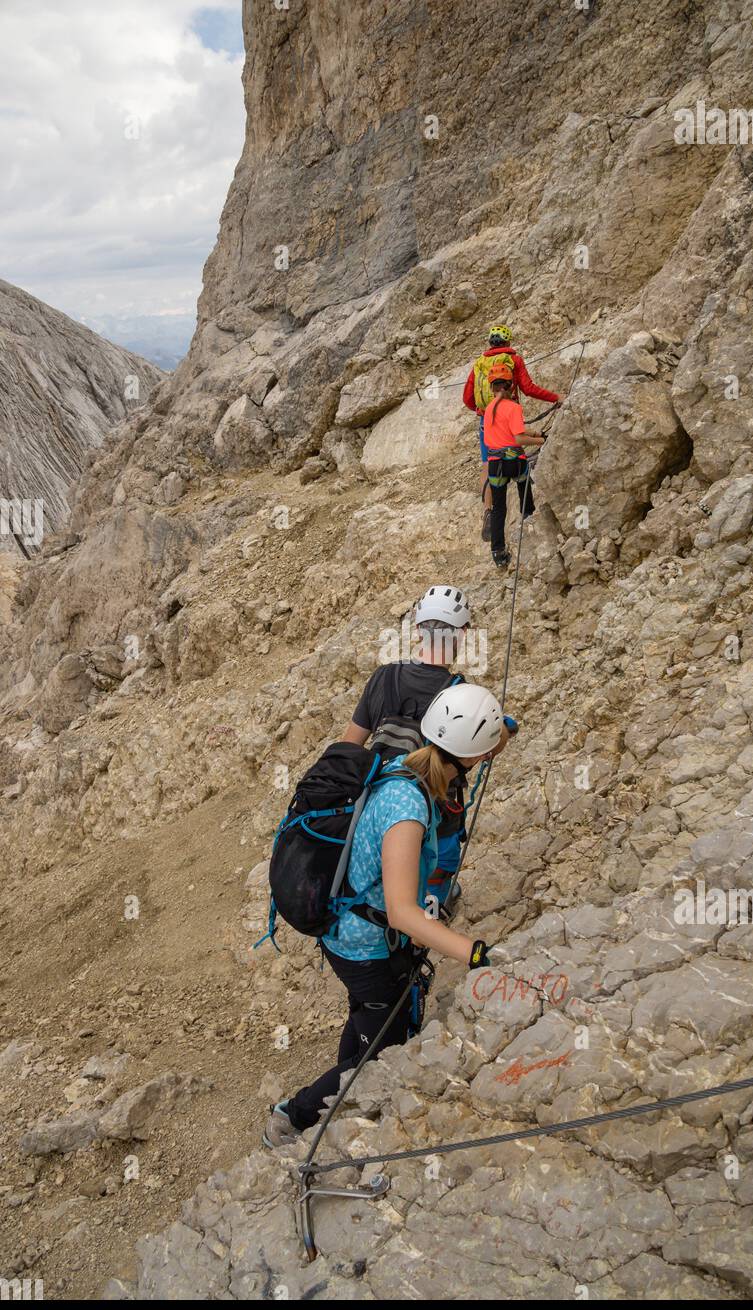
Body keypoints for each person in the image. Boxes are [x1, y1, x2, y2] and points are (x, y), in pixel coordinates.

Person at [264, 683, 506, 1147]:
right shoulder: (408, 808)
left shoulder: (409, 763)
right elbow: (402, 913)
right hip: (367, 948)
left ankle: (332, 1100)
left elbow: (480, 744)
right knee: (381, 1055)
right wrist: (474, 954)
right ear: (471, 758)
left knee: (366, 1022)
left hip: (347, 935)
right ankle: (292, 1117)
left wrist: (498, 729)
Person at [341, 584, 515, 908]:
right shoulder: (457, 691)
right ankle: (434, 904)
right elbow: (483, 751)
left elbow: (349, 746)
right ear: (463, 635)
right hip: (437, 812)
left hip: (379, 803)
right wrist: (502, 728)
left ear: (419, 629)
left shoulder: (384, 677)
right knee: (436, 867)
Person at [463, 324, 560, 542]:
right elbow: (529, 388)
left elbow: (467, 399)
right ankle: (527, 513)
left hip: (485, 419)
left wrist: (485, 413)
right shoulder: (513, 360)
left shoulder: (480, 364)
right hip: (510, 415)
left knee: (488, 462)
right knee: (516, 455)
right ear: (508, 342)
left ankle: (489, 511)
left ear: (490, 343)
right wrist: (556, 397)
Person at [482, 365, 546, 568]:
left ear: (492, 388)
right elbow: (518, 438)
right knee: (525, 492)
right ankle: (529, 527)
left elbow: (510, 430)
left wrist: (533, 433)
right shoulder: (514, 407)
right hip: (514, 462)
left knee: (499, 508)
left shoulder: (489, 409)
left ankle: (498, 553)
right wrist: (540, 442)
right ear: (511, 386)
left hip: (495, 466)